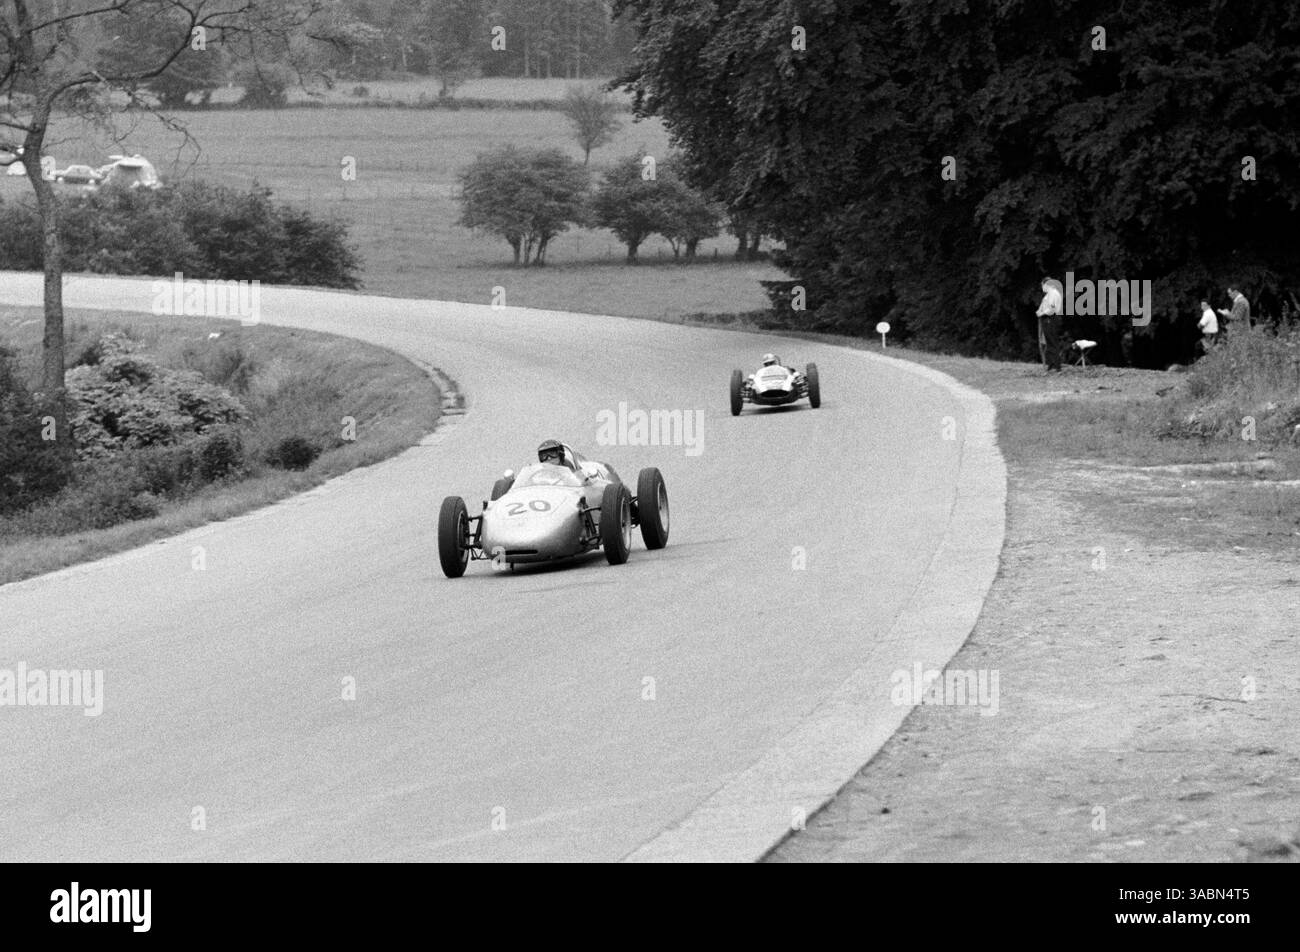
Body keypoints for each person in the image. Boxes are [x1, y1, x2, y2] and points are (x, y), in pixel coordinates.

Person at [1036, 276, 1064, 372]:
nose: (1042, 287)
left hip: (1050, 319)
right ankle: (1052, 364)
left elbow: (1051, 308)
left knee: (1052, 342)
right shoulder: (1048, 295)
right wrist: (1039, 311)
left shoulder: (1053, 294)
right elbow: (1043, 306)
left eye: (1043, 285)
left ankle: (1056, 366)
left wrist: (1042, 313)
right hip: (1047, 319)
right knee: (1050, 342)